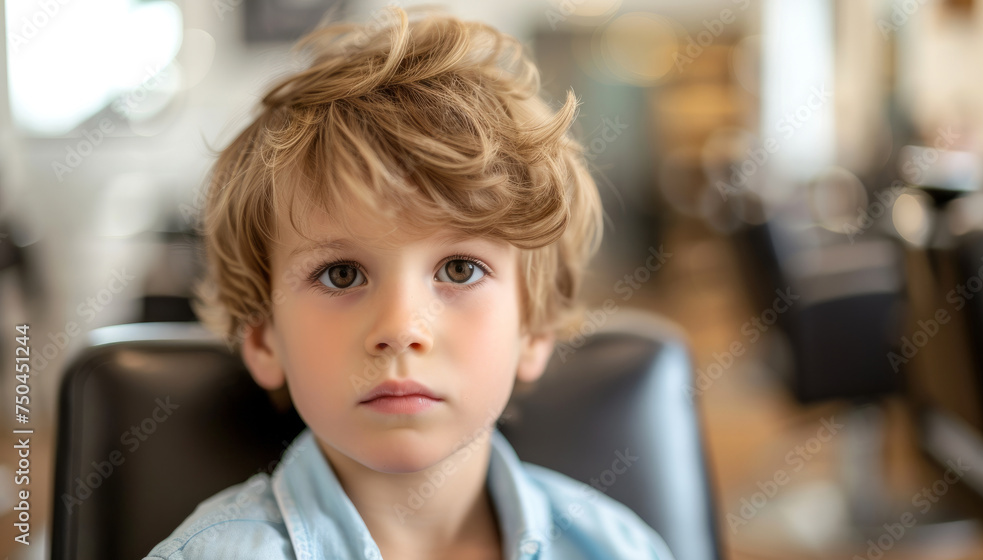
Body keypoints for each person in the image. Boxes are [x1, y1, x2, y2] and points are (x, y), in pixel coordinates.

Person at [145, 6, 673, 559]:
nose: (400, 329)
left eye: (460, 269)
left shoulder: (620, 547)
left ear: (534, 329)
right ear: (262, 336)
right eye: (341, 275)